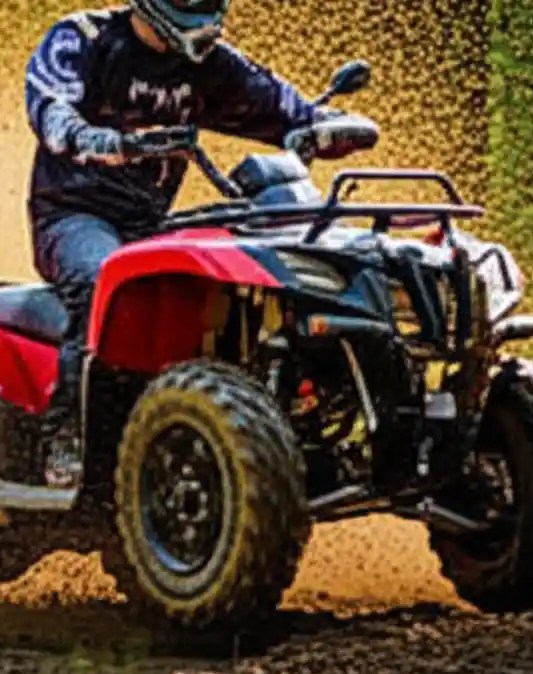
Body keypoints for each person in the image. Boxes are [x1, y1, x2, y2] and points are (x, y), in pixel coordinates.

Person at [24, 0, 379, 487]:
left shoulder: (210, 63)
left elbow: (285, 109)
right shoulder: (83, 39)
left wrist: (325, 126)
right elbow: (49, 107)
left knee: (237, 275)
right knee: (100, 279)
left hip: (152, 224)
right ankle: (67, 435)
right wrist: (90, 137)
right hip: (73, 216)